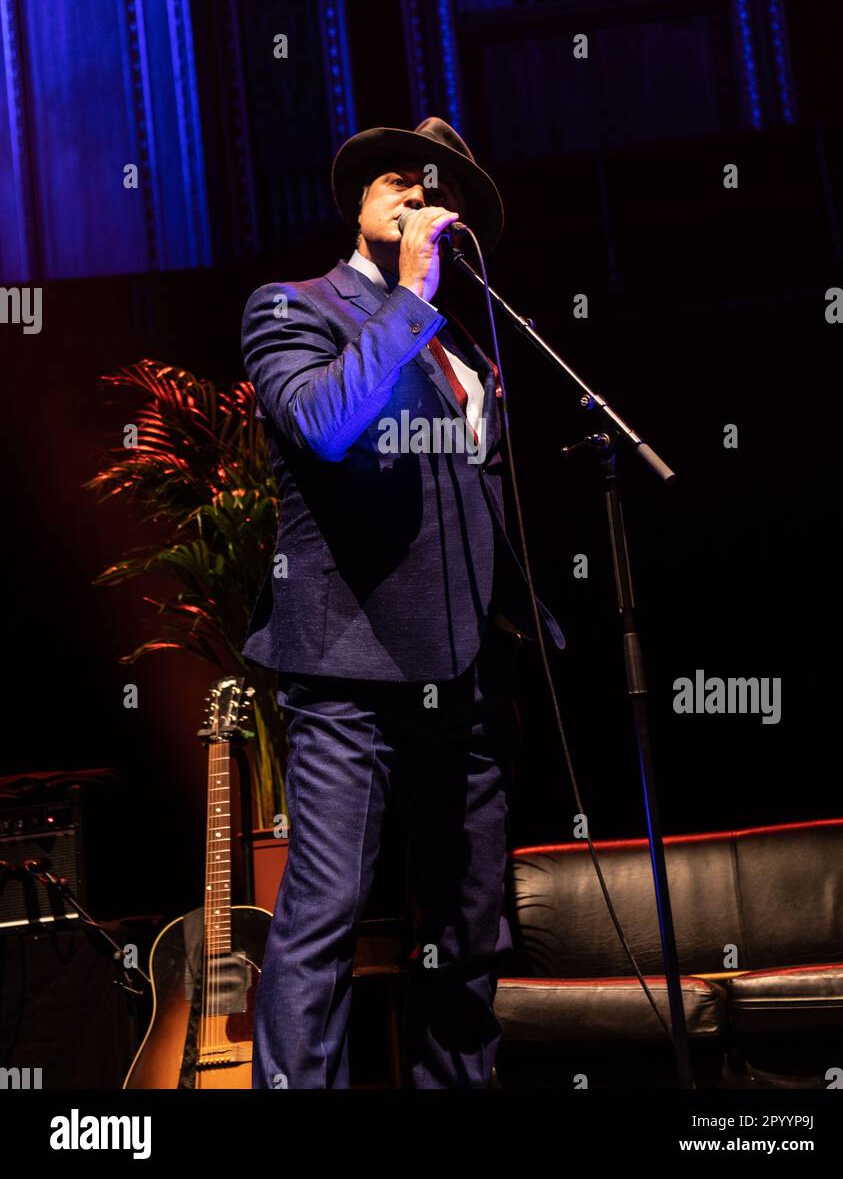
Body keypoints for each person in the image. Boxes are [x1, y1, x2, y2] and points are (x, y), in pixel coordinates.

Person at [241, 116, 565, 1088]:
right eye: (401, 181)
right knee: (325, 917)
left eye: (438, 190)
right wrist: (412, 295)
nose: (420, 197)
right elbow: (325, 424)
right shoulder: (293, 308)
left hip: (467, 677)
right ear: (360, 202)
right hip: (350, 670)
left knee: (470, 927)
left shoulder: (467, 344)